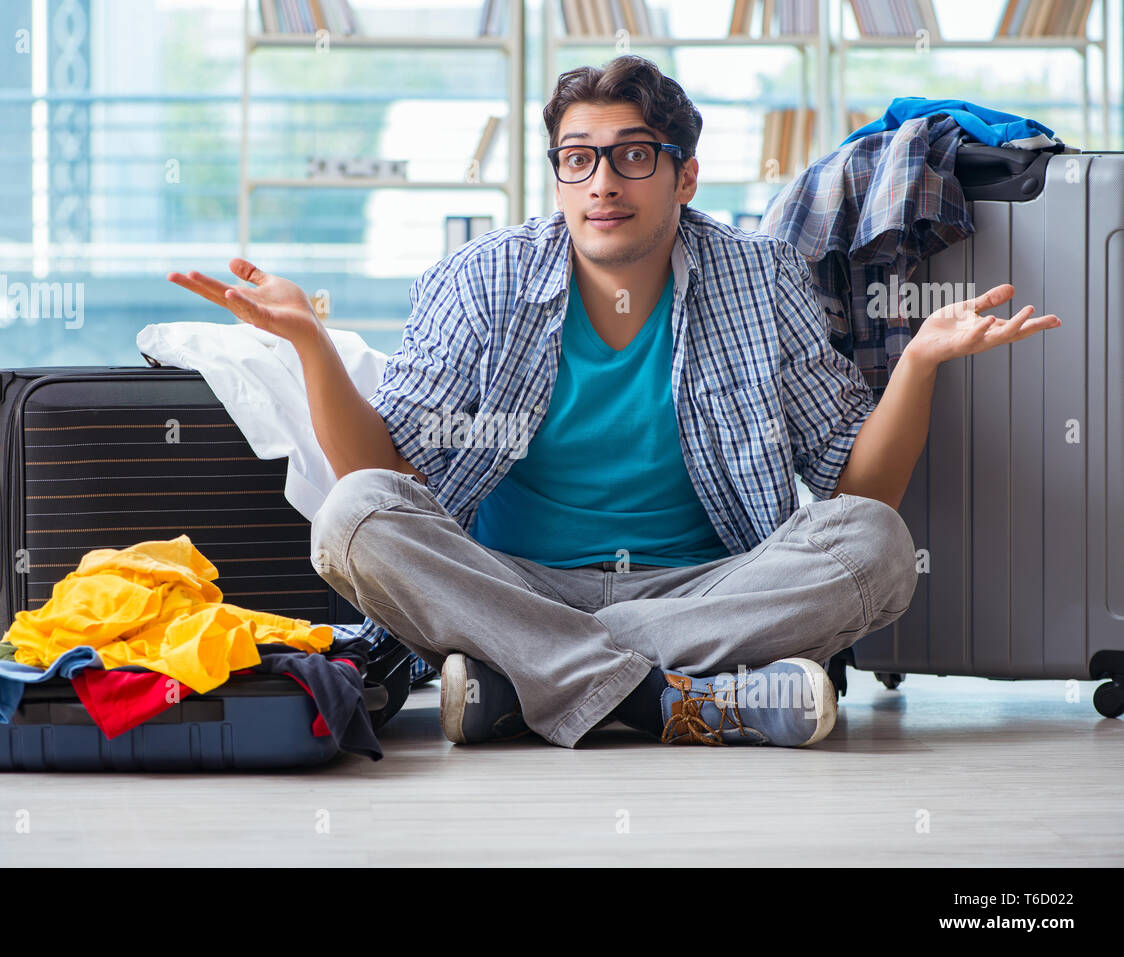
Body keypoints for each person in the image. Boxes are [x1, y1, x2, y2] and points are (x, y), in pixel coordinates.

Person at [168, 55, 1060, 751]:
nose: (604, 183)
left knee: (878, 547)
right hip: (516, 581)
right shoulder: (479, 282)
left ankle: (522, 684)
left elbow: (855, 492)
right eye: (579, 159)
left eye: (634, 156)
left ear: (685, 175)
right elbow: (392, 477)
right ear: (557, 174)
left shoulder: (760, 276)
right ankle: (671, 699)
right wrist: (312, 346)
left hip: (703, 587)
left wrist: (918, 366)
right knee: (352, 517)